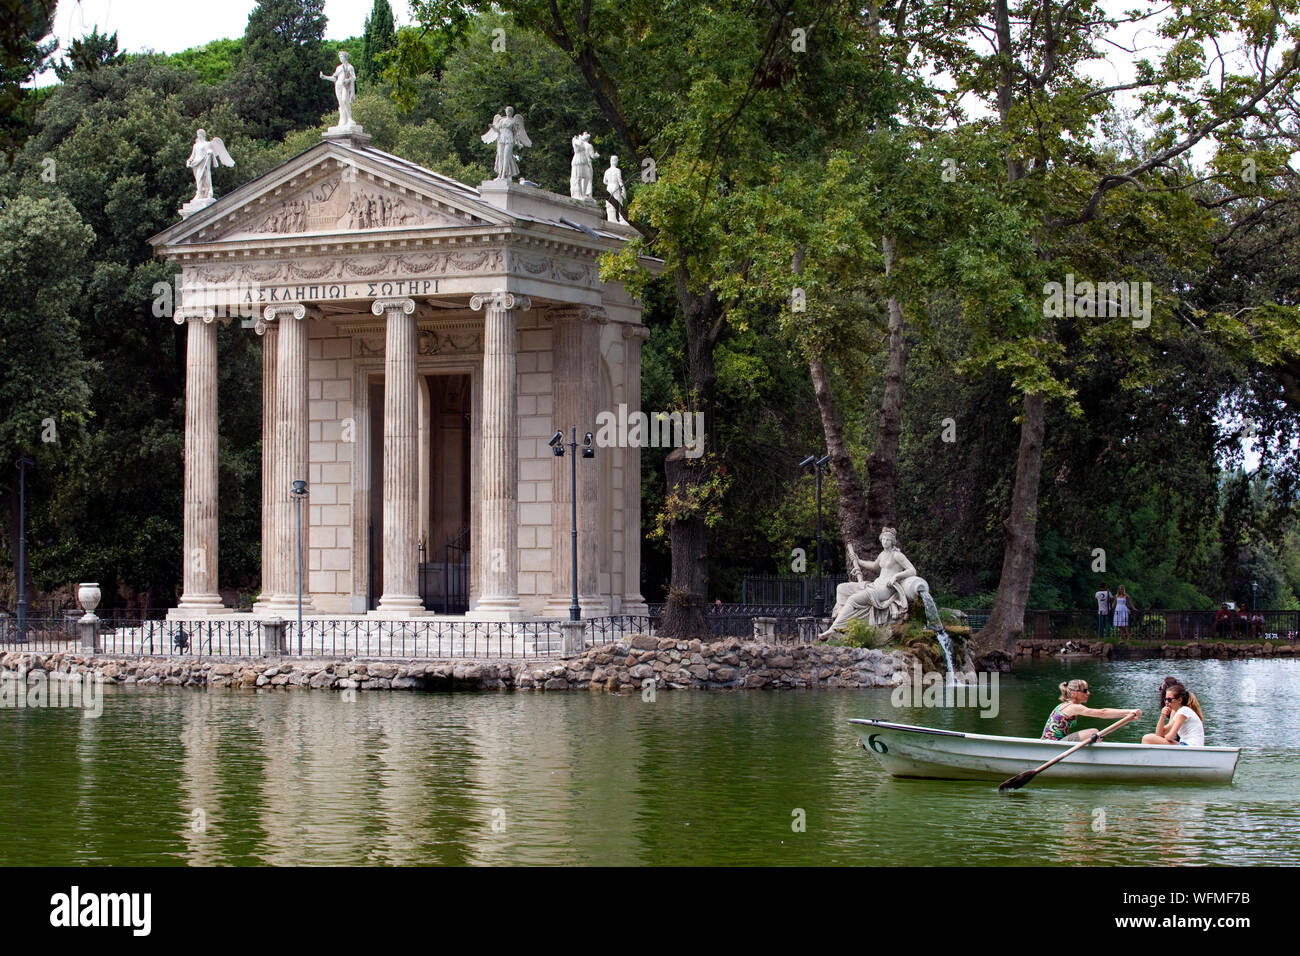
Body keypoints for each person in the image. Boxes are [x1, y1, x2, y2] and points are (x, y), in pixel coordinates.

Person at [1041, 678, 1141, 741]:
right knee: (1093, 732)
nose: (1088, 693)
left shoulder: (1063, 705)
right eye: (1085, 691)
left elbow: (1102, 712)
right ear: (1073, 693)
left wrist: (1127, 717)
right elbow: (1102, 713)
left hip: (1053, 743)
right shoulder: (1074, 707)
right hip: (1054, 744)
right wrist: (1129, 711)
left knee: (1096, 734)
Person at [1143, 681, 1205, 746]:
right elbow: (1159, 734)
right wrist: (1162, 716)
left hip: (1191, 746)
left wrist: (1162, 739)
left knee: (1147, 738)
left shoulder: (1183, 711)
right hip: (1186, 745)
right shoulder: (1178, 712)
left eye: (1169, 700)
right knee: (1149, 738)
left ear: (1179, 700)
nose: (1166, 702)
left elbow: (1170, 737)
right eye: (1165, 699)